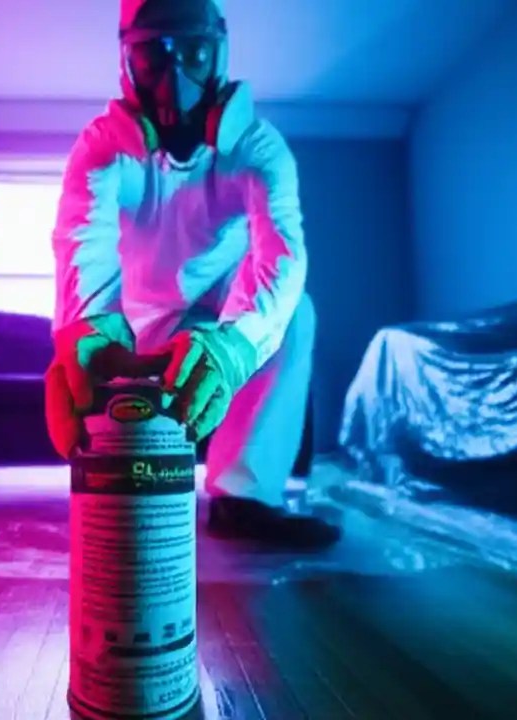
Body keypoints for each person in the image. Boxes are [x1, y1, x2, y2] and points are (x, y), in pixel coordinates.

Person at [44, 0, 339, 549]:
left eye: (194, 54)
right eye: (152, 58)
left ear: (218, 55)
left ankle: (244, 498)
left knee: (297, 314)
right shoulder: (102, 149)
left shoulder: (258, 148)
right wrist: (85, 333)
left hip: (223, 320)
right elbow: (82, 243)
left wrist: (234, 349)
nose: (173, 79)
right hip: (137, 331)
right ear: (128, 62)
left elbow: (281, 256)